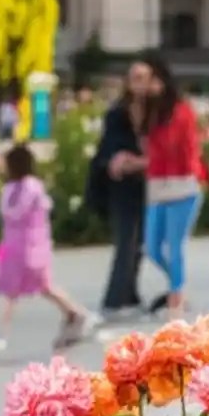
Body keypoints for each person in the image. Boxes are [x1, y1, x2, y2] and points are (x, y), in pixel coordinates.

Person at [0, 145, 97, 352]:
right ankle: (75, 313)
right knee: (34, 287)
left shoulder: (30, 188)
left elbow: (18, 213)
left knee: (25, 287)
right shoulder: (11, 188)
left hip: (30, 245)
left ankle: (1, 330)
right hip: (14, 245)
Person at [139, 54, 205, 319]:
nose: (149, 85)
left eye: (153, 80)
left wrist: (192, 173)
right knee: (153, 247)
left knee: (175, 247)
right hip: (157, 186)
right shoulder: (148, 111)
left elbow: (187, 146)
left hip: (182, 185)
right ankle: (178, 285)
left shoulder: (181, 110)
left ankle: (175, 300)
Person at [89, 62, 150, 320]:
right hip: (119, 183)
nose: (140, 83)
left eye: (144, 78)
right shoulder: (118, 113)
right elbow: (109, 146)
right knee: (126, 238)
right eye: (135, 78)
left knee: (140, 242)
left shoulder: (155, 112)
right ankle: (114, 299)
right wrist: (120, 157)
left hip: (145, 182)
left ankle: (130, 293)